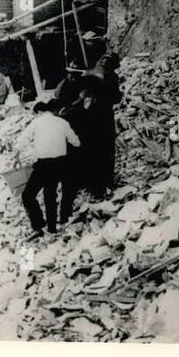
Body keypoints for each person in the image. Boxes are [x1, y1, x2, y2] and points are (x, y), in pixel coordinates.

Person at [18, 97, 80, 236]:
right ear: (55, 111)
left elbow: (23, 139)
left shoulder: (37, 122)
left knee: (28, 196)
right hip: (61, 163)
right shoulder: (62, 122)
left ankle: (39, 225)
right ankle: (54, 226)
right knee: (50, 195)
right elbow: (76, 142)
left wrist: (16, 154)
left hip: (44, 164)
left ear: (40, 111)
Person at [85, 54, 122, 198]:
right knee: (106, 150)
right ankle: (106, 182)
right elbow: (116, 97)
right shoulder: (112, 77)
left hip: (90, 118)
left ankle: (93, 187)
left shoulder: (91, 73)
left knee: (93, 151)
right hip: (104, 118)